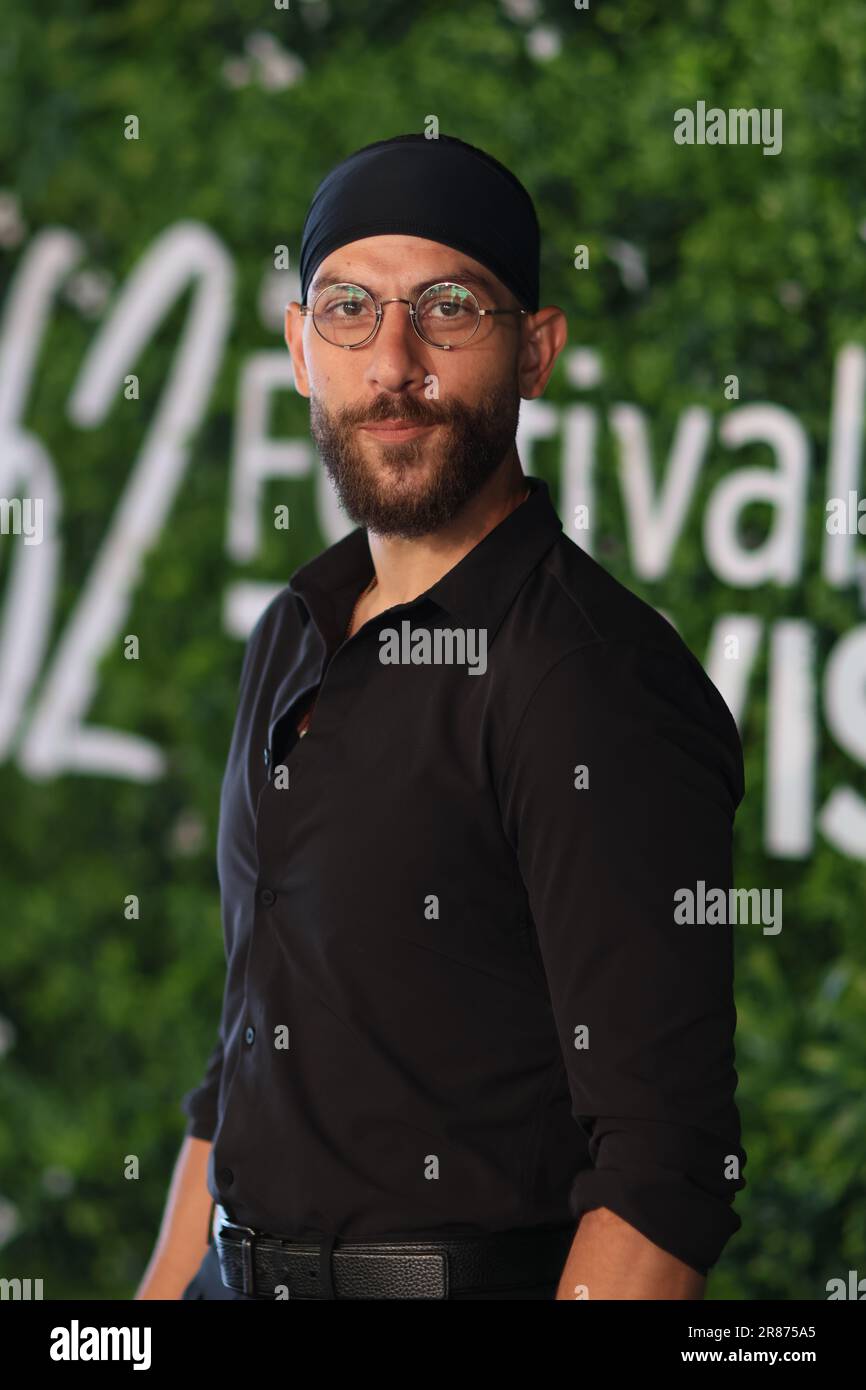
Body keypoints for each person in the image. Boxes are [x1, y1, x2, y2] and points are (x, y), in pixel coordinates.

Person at [136, 133, 746, 1301]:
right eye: (349, 309)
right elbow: (241, 1063)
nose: (394, 362)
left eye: (448, 307)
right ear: (301, 352)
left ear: (535, 351)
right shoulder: (297, 628)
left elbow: (661, 1174)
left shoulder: (590, 679)